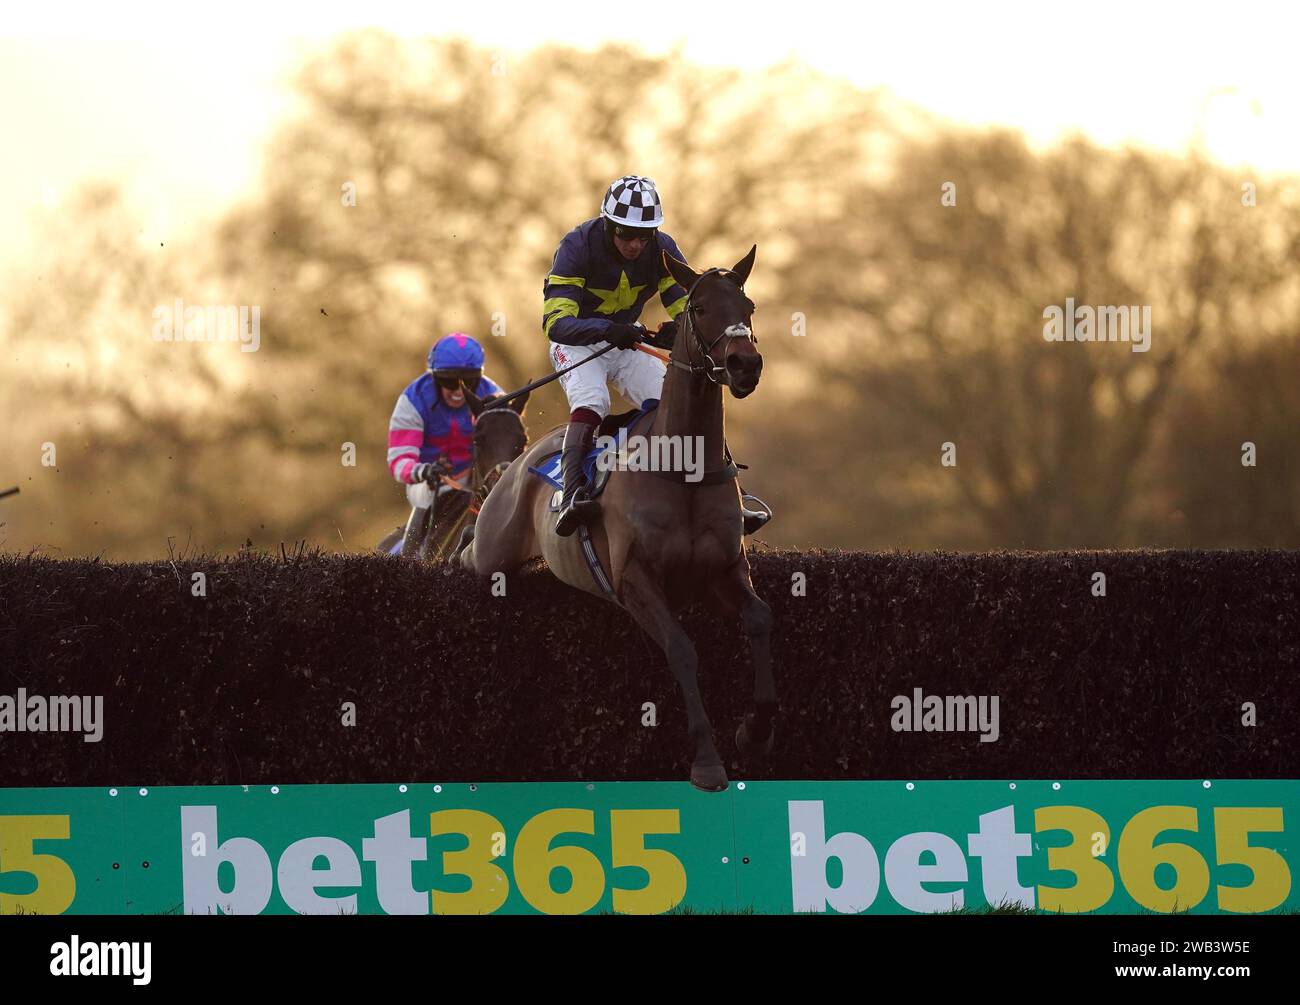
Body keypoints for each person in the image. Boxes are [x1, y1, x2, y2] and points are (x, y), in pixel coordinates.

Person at [542, 174, 771, 536]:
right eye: (625, 234)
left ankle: (733, 498)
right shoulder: (577, 246)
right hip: (577, 343)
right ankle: (572, 495)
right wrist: (606, 329)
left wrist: (676, 329)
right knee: (593, 400)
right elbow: (556, 323)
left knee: (676, 399)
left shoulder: (661, 249)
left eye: (643, 235)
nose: (635, 244)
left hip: (624, 343)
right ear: (608, 224)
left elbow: (687, 308)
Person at [387, 333, 503, 544]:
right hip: (431, 481)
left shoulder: (494, 396)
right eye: (449, 382)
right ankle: (412, 560)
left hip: (479, 480)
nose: (459, 391)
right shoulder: (412, 401)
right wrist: (424, 471)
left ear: (479, 377)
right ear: (435, 378)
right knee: (426, 495)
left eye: (468, 382)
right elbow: (398, 462)